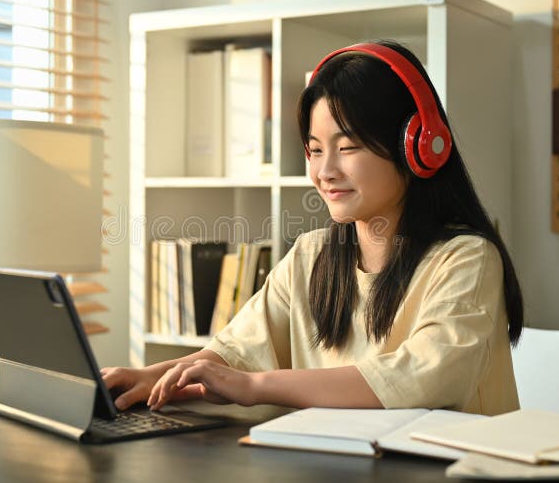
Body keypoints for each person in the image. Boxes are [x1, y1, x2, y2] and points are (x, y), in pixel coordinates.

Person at [102, 40, 524, 415]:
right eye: (315, 149)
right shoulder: (311, 254)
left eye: (347, 148)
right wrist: (150, 377)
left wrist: (255, 387)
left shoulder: (468, 258)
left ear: (418, 146)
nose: (325, 171)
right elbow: (234, 354)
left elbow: (425, 377)